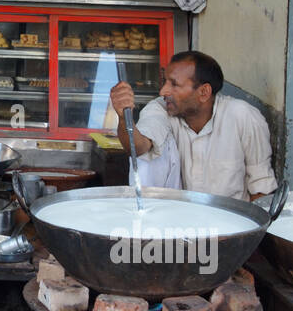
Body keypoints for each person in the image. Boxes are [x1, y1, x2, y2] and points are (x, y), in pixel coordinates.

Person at [108, 50, 277, 202]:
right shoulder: (160, 108)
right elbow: (139, 147)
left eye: (174, 84)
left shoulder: (243, 116)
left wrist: (249, 235)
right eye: (165, 81)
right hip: (176, 226)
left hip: (229, 227)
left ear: (204, 92)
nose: (163, 91)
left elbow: (261, 189)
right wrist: (124, 118)